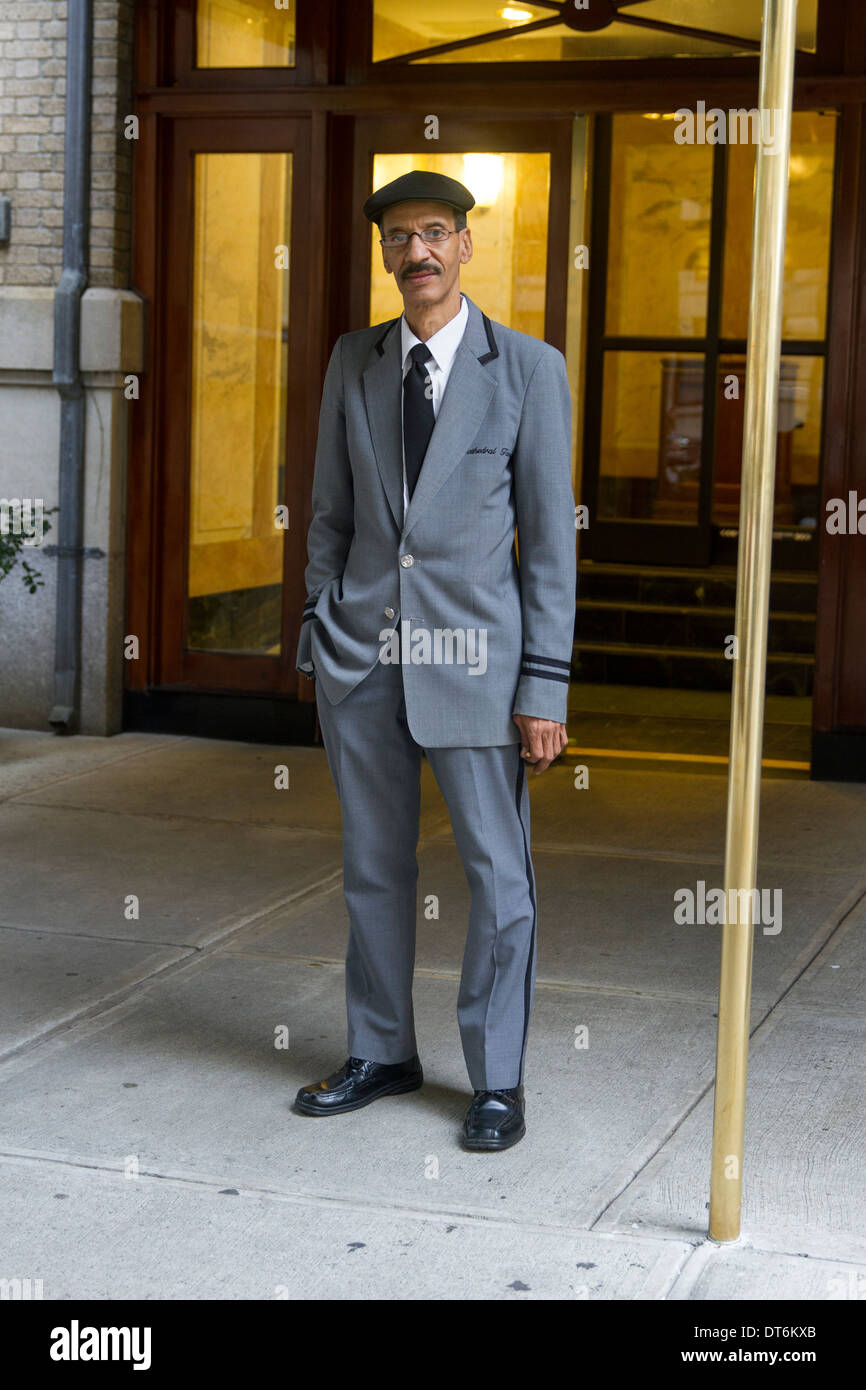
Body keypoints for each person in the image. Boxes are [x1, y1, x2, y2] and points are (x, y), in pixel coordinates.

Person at [293, 170, 576, 1151]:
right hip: (363, 658)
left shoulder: (529, 370)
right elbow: (328, 512)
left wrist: (543, 686)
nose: (413, 253)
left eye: (431, 234)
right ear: (383, 255)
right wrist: (318, 624)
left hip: (478, 670)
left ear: (464, 245)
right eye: (396, 238)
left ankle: (496, 1078)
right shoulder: (352, 361)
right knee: (372, 868)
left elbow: (547, 549)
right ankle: (381, 1051)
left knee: (499, 878)